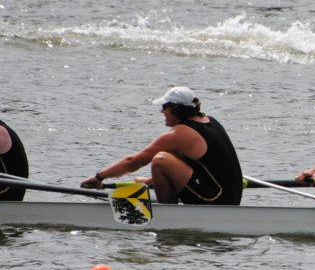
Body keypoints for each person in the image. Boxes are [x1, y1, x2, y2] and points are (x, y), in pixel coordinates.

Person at [80, 86, 242, 205]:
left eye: (164, 107)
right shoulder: (210, 121)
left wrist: (100, 176)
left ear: (175, 109)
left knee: (160, 160)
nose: (161, 111)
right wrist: (152, 180)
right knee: (172, 155)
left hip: (215, 199)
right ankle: (160, 188)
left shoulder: (180, 134)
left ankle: (167, 212)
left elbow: (133, 162)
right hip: (228, 196)